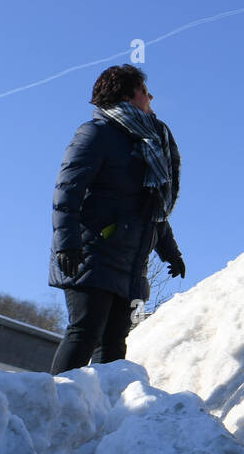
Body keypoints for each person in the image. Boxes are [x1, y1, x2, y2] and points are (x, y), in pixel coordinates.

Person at [48, 64, 185, 375]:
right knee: (85, 334)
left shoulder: (149, 141)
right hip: (91, 253)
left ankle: (103, 415)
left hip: (131, 262)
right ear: (126, 96)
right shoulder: (96, 134)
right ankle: (53, 407)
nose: (151, 97)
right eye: (144, 91)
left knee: (114, 347)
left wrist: (170, 251)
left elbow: (153, 207)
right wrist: (67, 245)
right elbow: (66, 192)